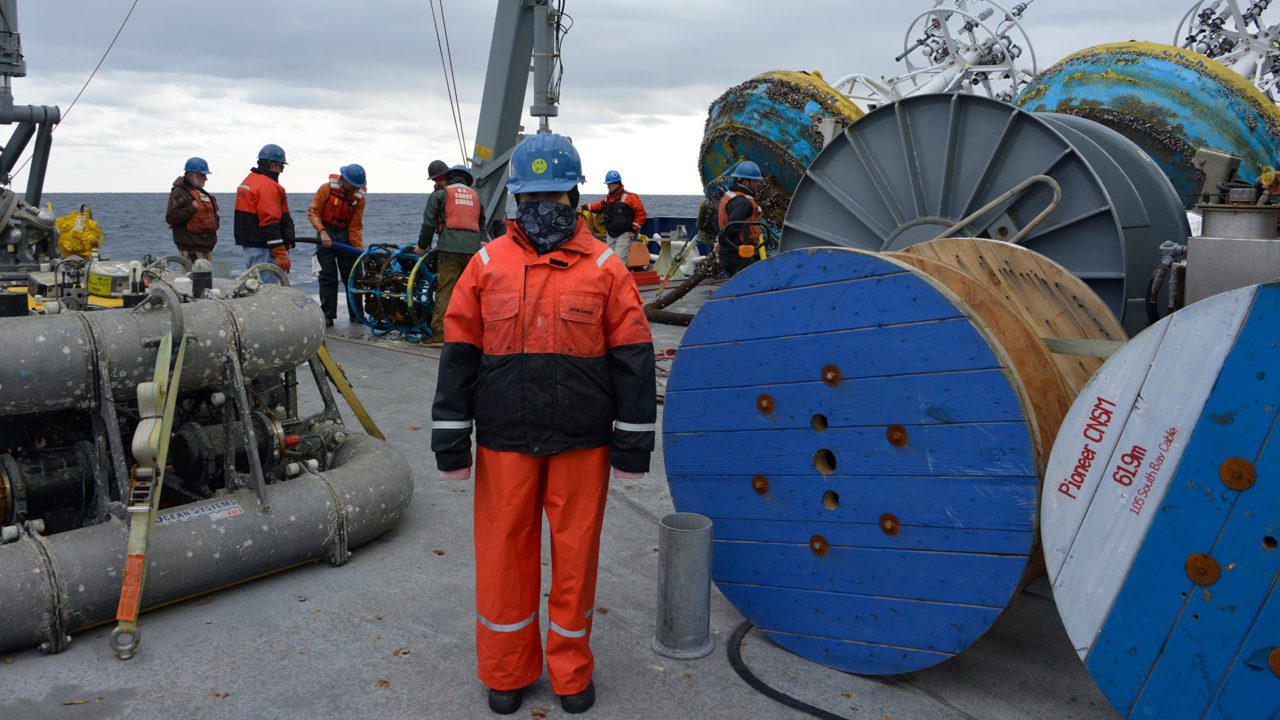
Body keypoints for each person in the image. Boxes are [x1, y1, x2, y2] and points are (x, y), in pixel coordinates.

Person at [431, 132, 656, 716]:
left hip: (582, 445)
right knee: (504, 555)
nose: (544, 208)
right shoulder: (485, 267)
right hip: (506, 442)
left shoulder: (607, 270)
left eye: (554, 196)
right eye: (533, 197)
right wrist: (452, 442)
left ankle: (571, 672)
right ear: (515, 200)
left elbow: (633, 359)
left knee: (576, 559)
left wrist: (632, 447)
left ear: (575, 196)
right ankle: (506, 670)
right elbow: (458, 355)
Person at [415, 163, 485, 345]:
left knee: (445, 291)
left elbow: (429, 223)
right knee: (472, 293)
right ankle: (473, 333)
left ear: (449, 176)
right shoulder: (475, 196)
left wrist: (422, 247)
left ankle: (440, 335)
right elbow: (482, 224)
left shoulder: (441, 194)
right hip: (474, 252)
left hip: (449, 251)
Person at [307, 164, 367, 327]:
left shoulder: (359, 199)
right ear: (344, 180)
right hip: (326, 233)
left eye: (358, 187)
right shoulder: (326, 189)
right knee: (327, 277)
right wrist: (322, 231)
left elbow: (355, 226)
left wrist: (358, 250)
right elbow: (313, 211)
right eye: (353, 186)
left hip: (345, 236)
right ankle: (327, 315)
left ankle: (356, 314)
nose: (356, 189)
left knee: (353, 277)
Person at [234, 144, 295, 282]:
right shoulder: (267, 186)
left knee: (254, 286)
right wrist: (280, 254)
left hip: (250, 247)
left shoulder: (248, 181)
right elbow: (270, 221)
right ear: (273, 166)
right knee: (268, 291)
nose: (281, 171)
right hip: (264, 248)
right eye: (282, 167)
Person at [582, 170, 646, 265]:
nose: (607, 186)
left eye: (609, 184)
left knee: (620, 262)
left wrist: (633, 230)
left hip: (624, 234)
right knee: (610, 261)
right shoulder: (608, 199)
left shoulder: (631, 198)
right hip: (610, 234)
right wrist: (586, 206)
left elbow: (641, 214)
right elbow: (598, 206)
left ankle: (621, 279)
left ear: (616, 184)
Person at [165, 157, 220, 263]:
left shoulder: (199, 192)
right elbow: (171, 217)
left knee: (205, 278)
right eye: (202, 175)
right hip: (192, 250)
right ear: (190, 175)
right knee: (191, 279)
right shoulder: (180, 192)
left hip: (206, 248)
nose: (205, 178)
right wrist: (191, 208)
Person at [717, 160, 765, 277]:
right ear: (745, 181)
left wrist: (720, 243)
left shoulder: (732, 195)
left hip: (730, 251)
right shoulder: (743, 203)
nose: (758, 184)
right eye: (755, 181)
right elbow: (732, 226)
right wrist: (723, 242)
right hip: (739, 254)